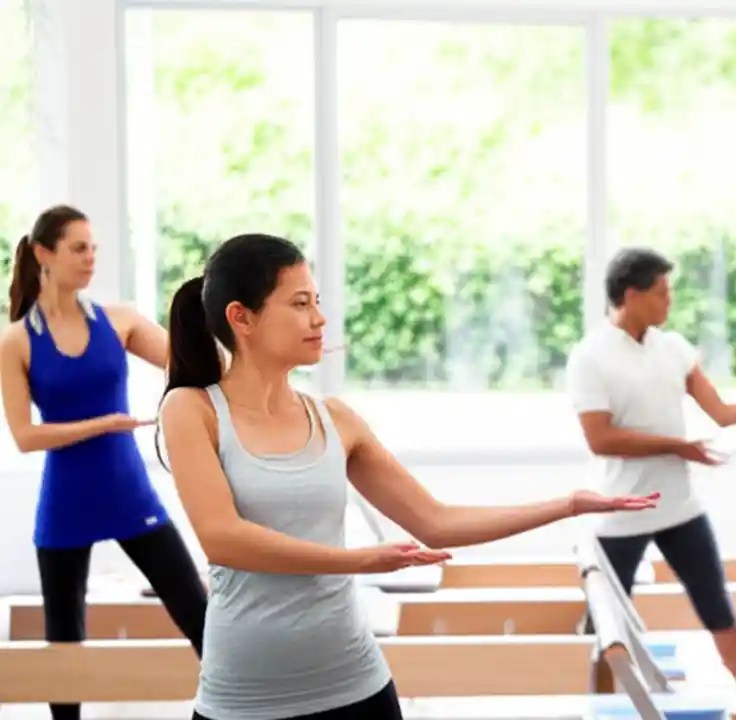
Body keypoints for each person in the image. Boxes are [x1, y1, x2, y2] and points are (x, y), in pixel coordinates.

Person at [158, 233, 658, 720]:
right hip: (243, 702)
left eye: (317, 301)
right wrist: (355, 561)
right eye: (299, 303)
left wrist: (567, 505)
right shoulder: (193, 410)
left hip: (356, 687)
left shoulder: (336, 419)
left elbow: (436, 521)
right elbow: (222, 538)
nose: (319, 318)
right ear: (241, 317)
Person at [565, 246, 736, 690]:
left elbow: (723, 412)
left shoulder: (672, 348)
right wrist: (676, 446)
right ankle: (600, 708)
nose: (669, 301)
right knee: (605, 630)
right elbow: (601, 438)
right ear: (631, 295)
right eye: (661, 293)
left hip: (679, 509)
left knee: (719, 612)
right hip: (618, 512)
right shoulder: (590, 356)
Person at [0, 205, 208, 720]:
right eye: (78, 247)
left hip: (129, 494)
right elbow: (25, 437)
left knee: (200, 615)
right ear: (44, 254)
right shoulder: (16, 341)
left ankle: (240, 709)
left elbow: (193, 364)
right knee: (63, 644)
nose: (90, 257)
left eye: (94, 247)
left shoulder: (121, 321)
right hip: (65, 503)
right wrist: (102, 424)